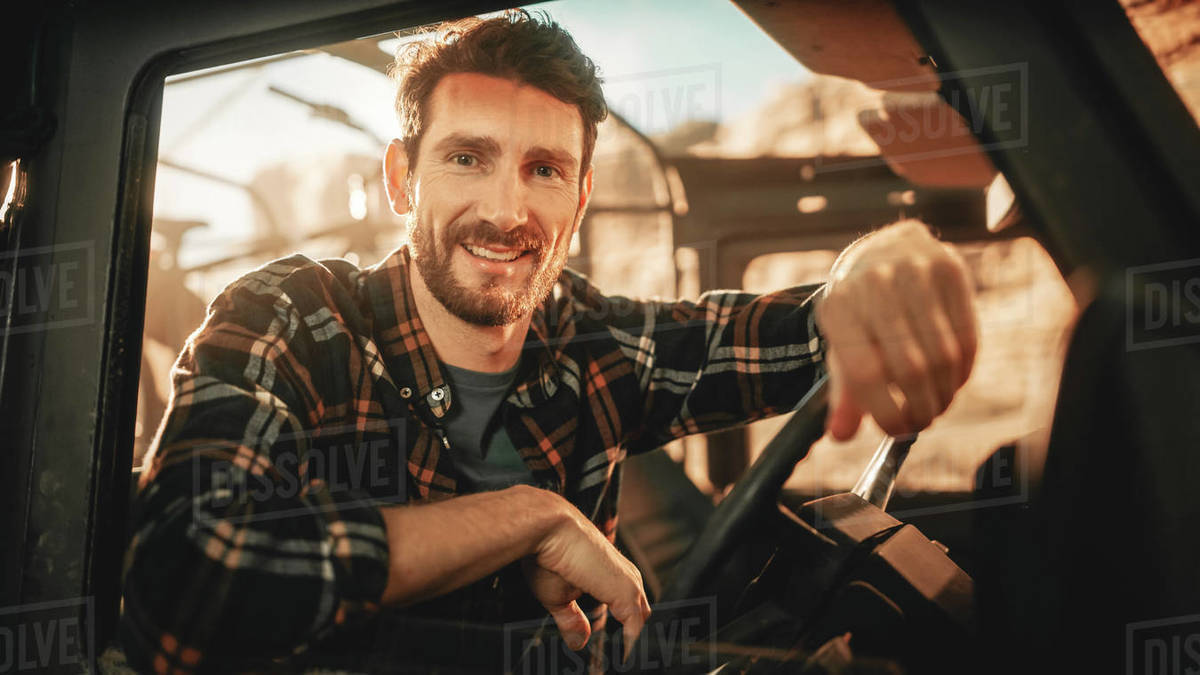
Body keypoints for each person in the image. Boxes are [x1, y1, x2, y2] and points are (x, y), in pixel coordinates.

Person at [121, 10, 978, 674]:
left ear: (581, 193)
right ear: (399, 179)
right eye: (466, 158)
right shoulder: (291, 322)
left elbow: (811, 325)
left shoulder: (595, 344)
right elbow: (185, 580)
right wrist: (526, 519)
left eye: (544, 169)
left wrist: (887, 262)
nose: (505, 211)